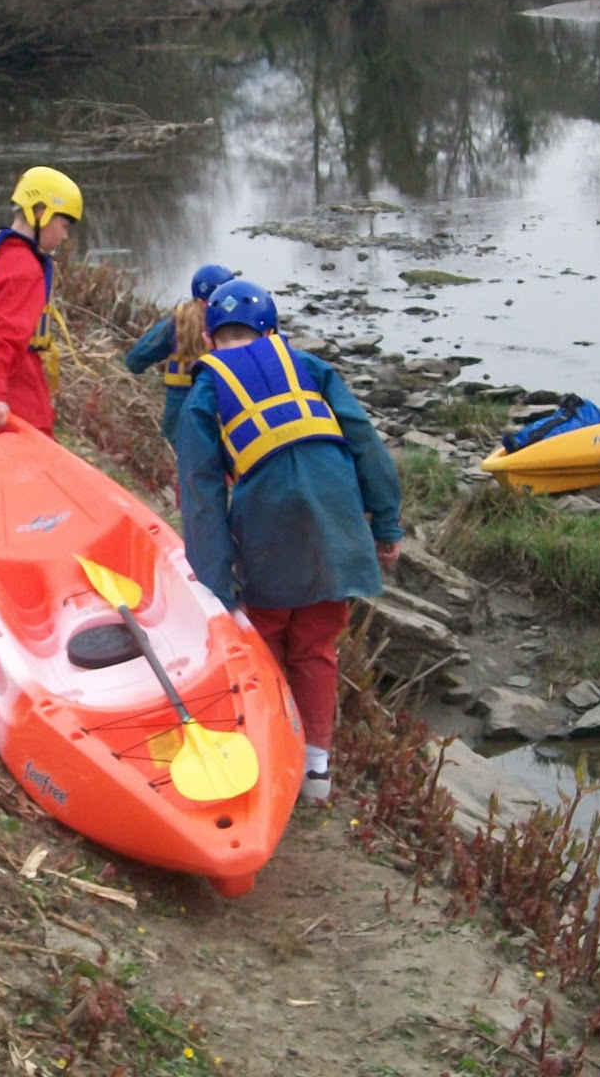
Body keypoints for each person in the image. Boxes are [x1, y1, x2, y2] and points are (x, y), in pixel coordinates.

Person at [175, 278, 403, 805]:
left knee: (267, 640)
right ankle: (317, 774)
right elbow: (365, 443)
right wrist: (386, 525)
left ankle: (276, 754)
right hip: (337, 515)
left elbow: (201, 492)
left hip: (269, 523)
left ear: (209, 339)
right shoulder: (311, 367)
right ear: (273, 331)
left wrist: (216, 581)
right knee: (317, 645)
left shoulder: (204, 390)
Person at [0, 165, 82, 460]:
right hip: (9, 389)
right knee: (29, 484)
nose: (63, 236)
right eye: (63, 225)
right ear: (40, 213)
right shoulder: (22, 265)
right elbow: (0, 334)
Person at [123, 263, 233, 446]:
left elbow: (136, 358)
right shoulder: (231, 327)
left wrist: (136, 368)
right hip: (219, 411)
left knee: (177, 455)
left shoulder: (176, 323)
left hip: (178, 414)